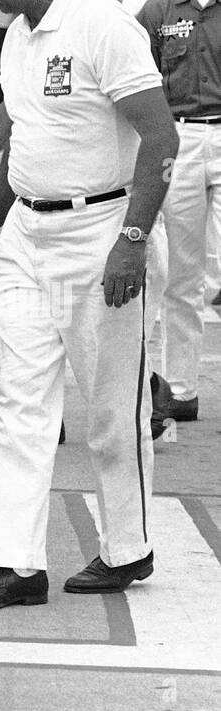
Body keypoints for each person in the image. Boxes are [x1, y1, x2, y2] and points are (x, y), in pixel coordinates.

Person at [0, 0, 177, 610]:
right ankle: (16, 564)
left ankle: (129, 547)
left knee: (109, 409)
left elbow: (161, 137)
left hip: (101, 230)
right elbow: (23, 135)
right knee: (16, 402)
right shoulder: (17, 37)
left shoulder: (102, 26)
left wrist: (131, 242)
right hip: (28, 234)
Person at [136, 0, 219, 427]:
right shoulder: (158, 12)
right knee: (182, 273)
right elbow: (136, 81)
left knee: (214, 268)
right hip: (179, 138)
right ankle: (182, 389)